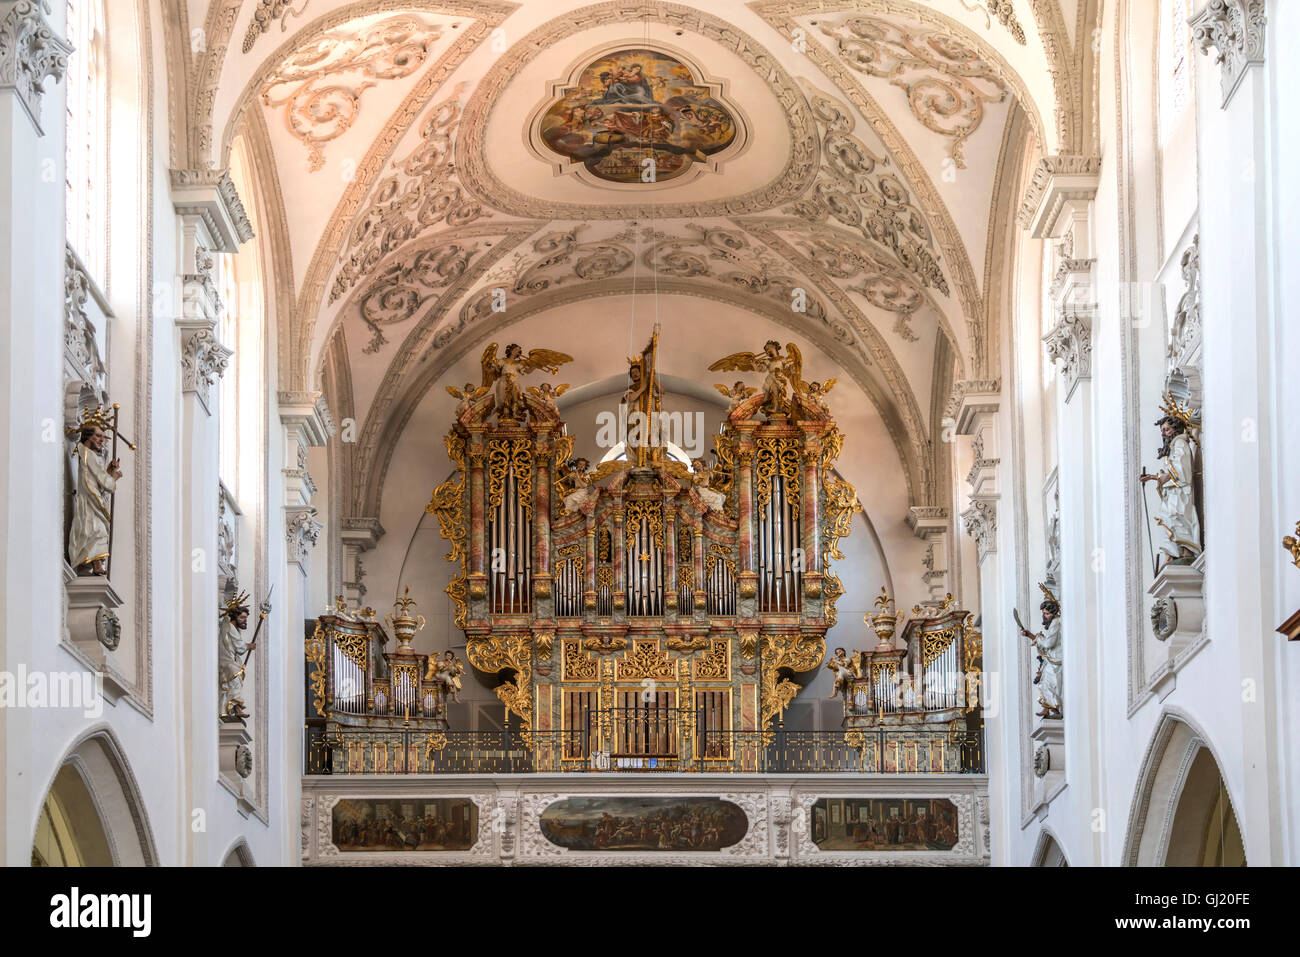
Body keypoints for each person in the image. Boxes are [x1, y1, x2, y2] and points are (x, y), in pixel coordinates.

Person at [1140, 414, 1201, 571]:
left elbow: (1182, 468)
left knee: (1178, 517)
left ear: (1176, 429)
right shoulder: (1173, 447)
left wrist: (1165, 476)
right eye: (1162, 430)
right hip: (1172, 492)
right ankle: (1172, 554)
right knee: (1169, 520)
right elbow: (1170, 472)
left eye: (1166, 429)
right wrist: (1154, 477)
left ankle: (1187, 551)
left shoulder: (1180, 443)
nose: (1163, 433)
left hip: (1180, 492)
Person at [68, 422, 122, 575]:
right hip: (91, 500)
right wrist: (114, 477)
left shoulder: (86, 454)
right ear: (88, 436)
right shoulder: (89, 455)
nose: (101, 440)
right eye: (98, 436)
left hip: (91, 498)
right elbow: (105, 483)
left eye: (103, 437)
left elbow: (97, 479)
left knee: (92, 530)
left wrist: (109, 470)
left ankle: (91, 564)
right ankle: (96, 564)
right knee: (96, 530)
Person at [1020, 595, 1062, 719]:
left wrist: (1037, 637)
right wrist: (1031, 636)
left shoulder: (1055, 623)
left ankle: (1053, 708)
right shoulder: (1054, 622)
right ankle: (1048, 708)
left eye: (1047, 613)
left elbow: (1049, 643)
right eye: (1043, 613)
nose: (1044, 616)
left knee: (1049, 684)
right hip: (1052, 659)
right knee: (1046, 683)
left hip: (1056, 659)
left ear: (1053, 613)